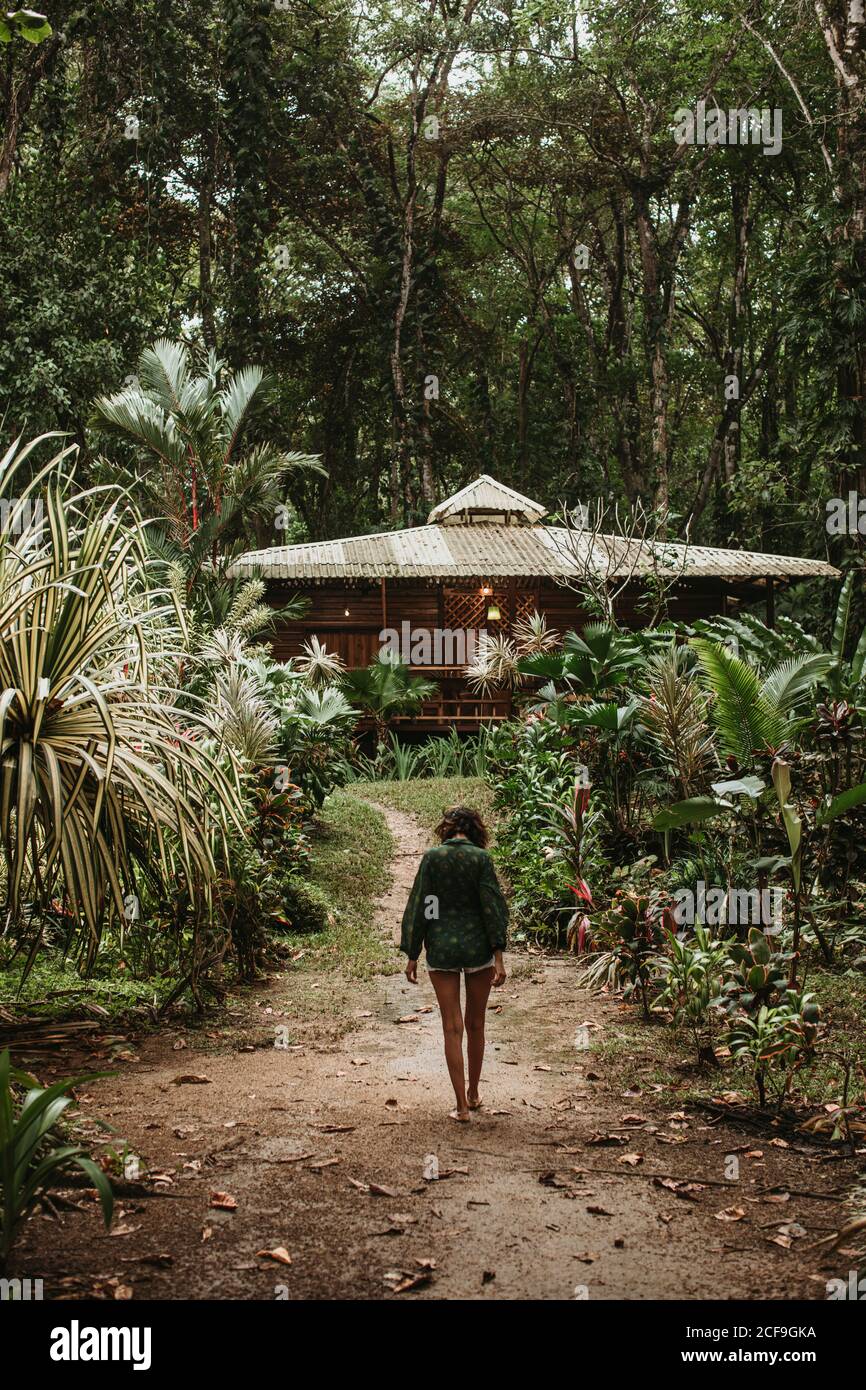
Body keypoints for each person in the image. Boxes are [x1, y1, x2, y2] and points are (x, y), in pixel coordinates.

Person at [400, 805, 508, 1121]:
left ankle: (460, 1106)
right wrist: (498, 954)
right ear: (475, 830)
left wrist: (413, 951)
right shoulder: (482, 859)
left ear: (446, 829)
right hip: (478, 948)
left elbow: (423, 904)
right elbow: (492, 908)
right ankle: (475, 1093)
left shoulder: (433, 858)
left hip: (442, 948)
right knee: (476, 1024)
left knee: (452, 1027)